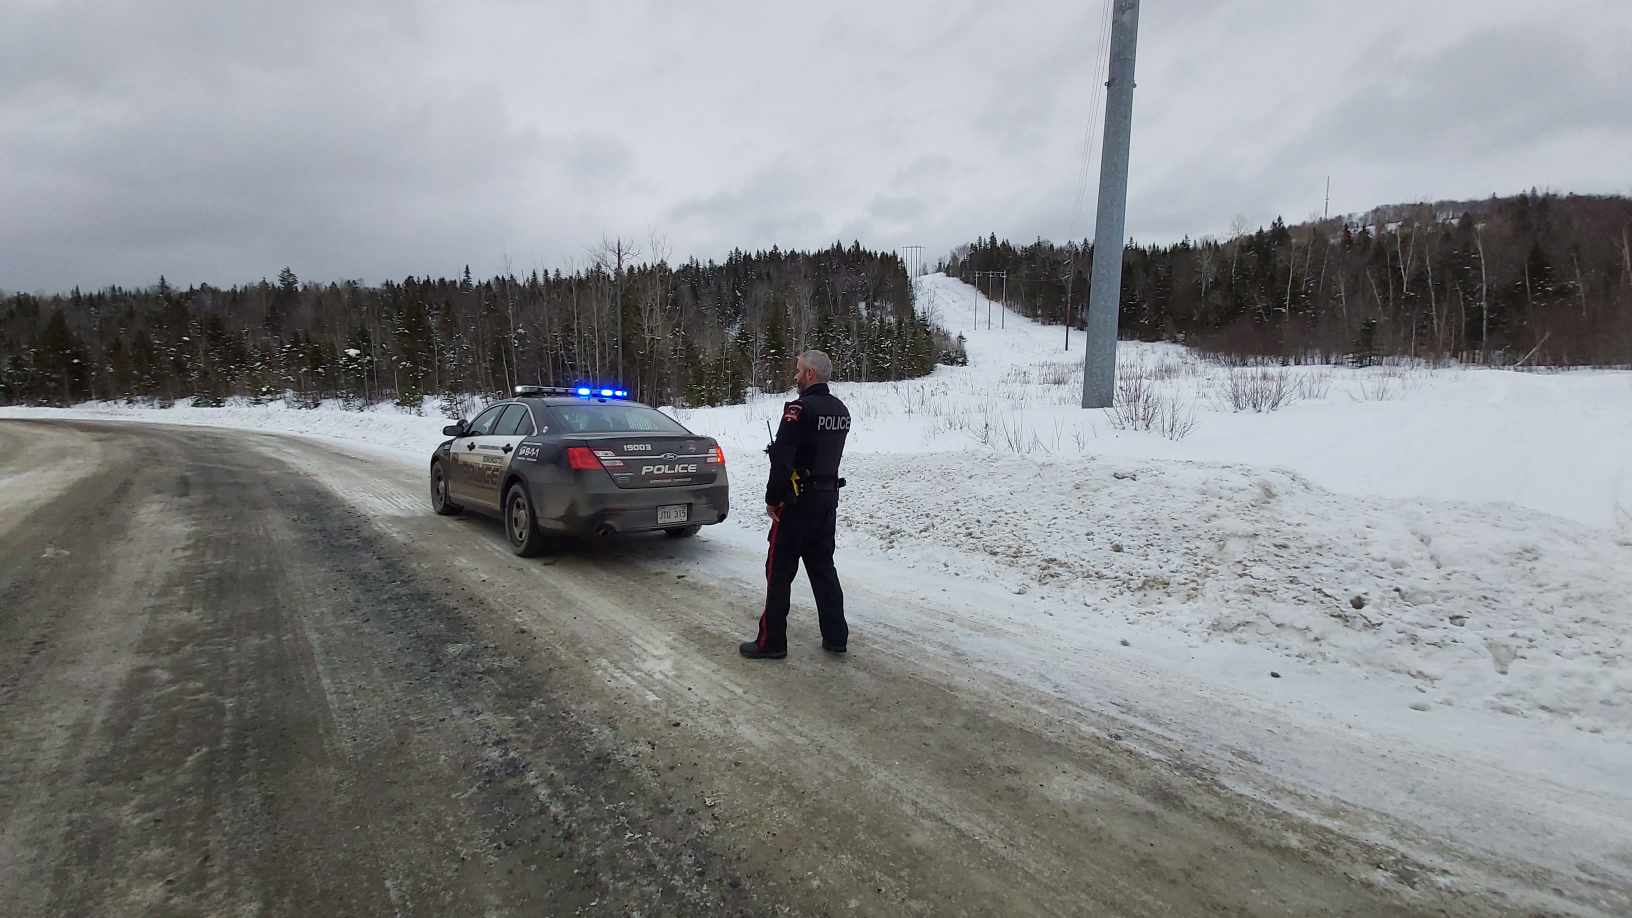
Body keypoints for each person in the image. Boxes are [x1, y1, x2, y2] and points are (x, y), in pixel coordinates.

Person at [739, 350, 851, 660]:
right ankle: (836, 636)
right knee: (823, 568)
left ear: (811, 374)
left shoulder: (798, 410)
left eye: (799, 370)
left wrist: (772, 499)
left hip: (796, 502)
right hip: (827, 501)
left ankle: (771, 642)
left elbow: (783, 461)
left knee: (778, 573)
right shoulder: (840, 410)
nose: (795, 376)